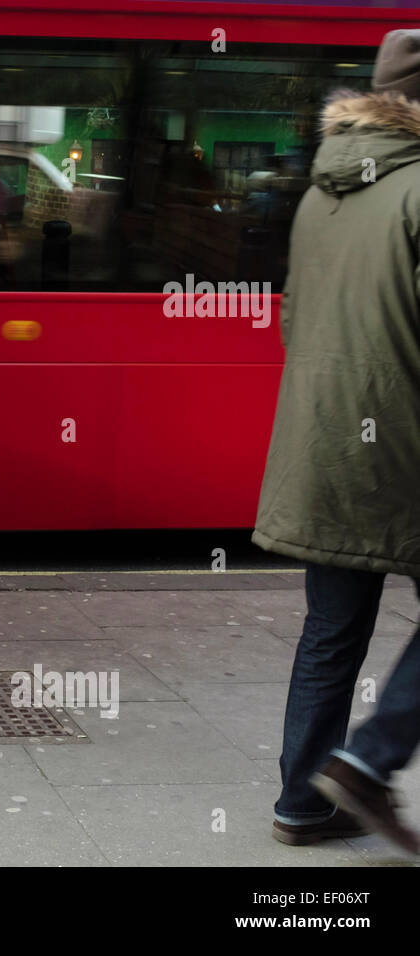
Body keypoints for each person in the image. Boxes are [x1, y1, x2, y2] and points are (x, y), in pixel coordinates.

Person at [253, 28, 420, 855]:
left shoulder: (320, 193)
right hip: (407, 446)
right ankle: (369, 758)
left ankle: (300, 800)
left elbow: (293, 319)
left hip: (323, 443)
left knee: (332, 629)